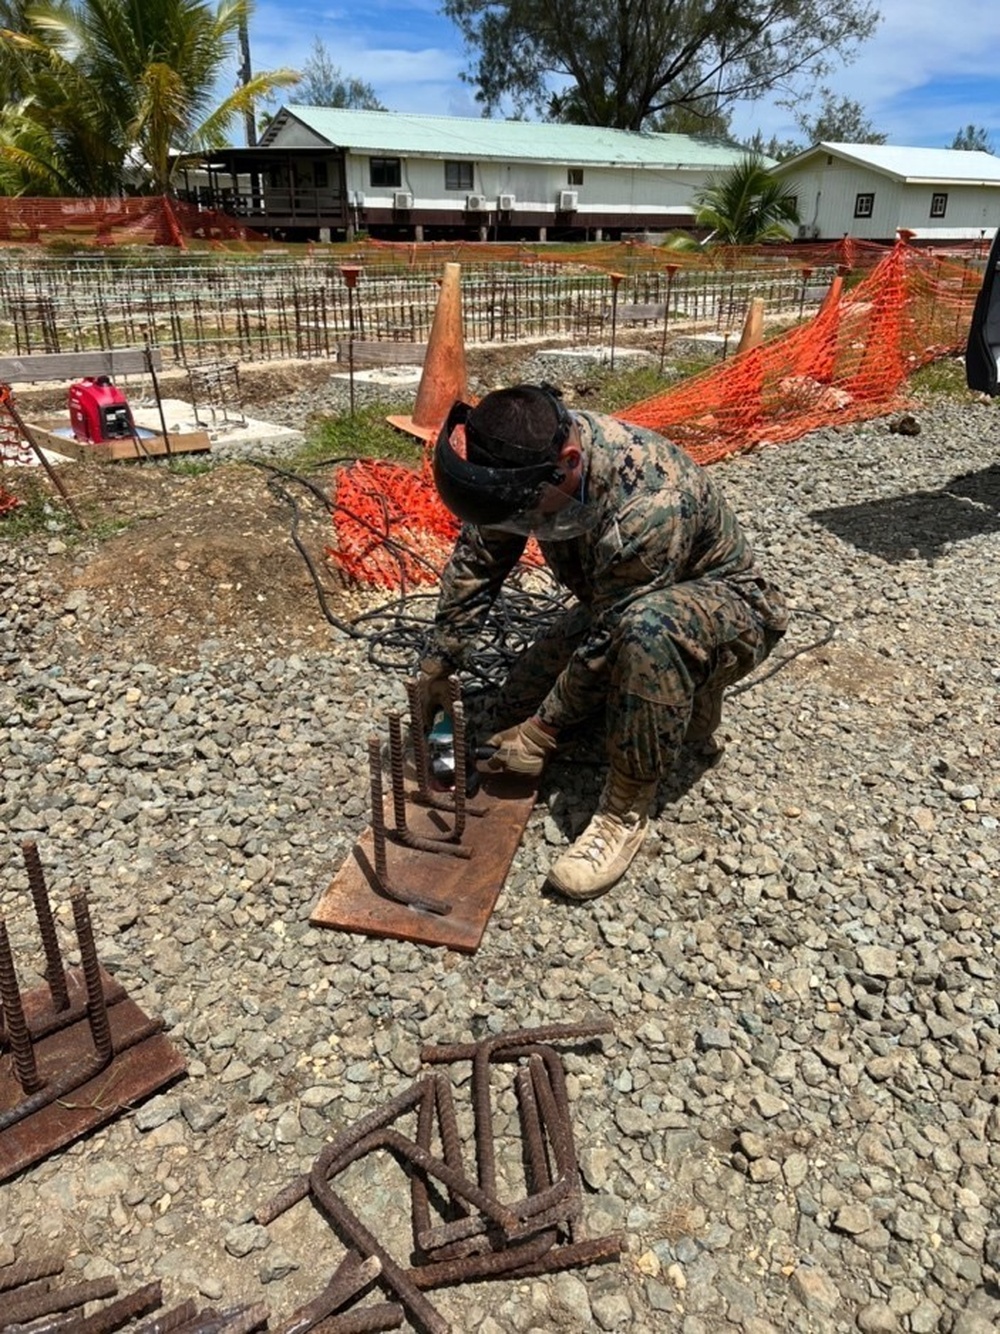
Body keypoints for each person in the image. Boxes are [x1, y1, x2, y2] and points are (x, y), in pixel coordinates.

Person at [417, 383, 788, 902]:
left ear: (569, 462)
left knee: (647, 634)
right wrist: (439, 664)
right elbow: (480, 560)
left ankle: (625, 807)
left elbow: (616, 628)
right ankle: (663, 705)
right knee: (509, 712)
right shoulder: (523, 457)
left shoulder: (652, 500)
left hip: (726, 612)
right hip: (618, 603)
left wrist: (543, 731)